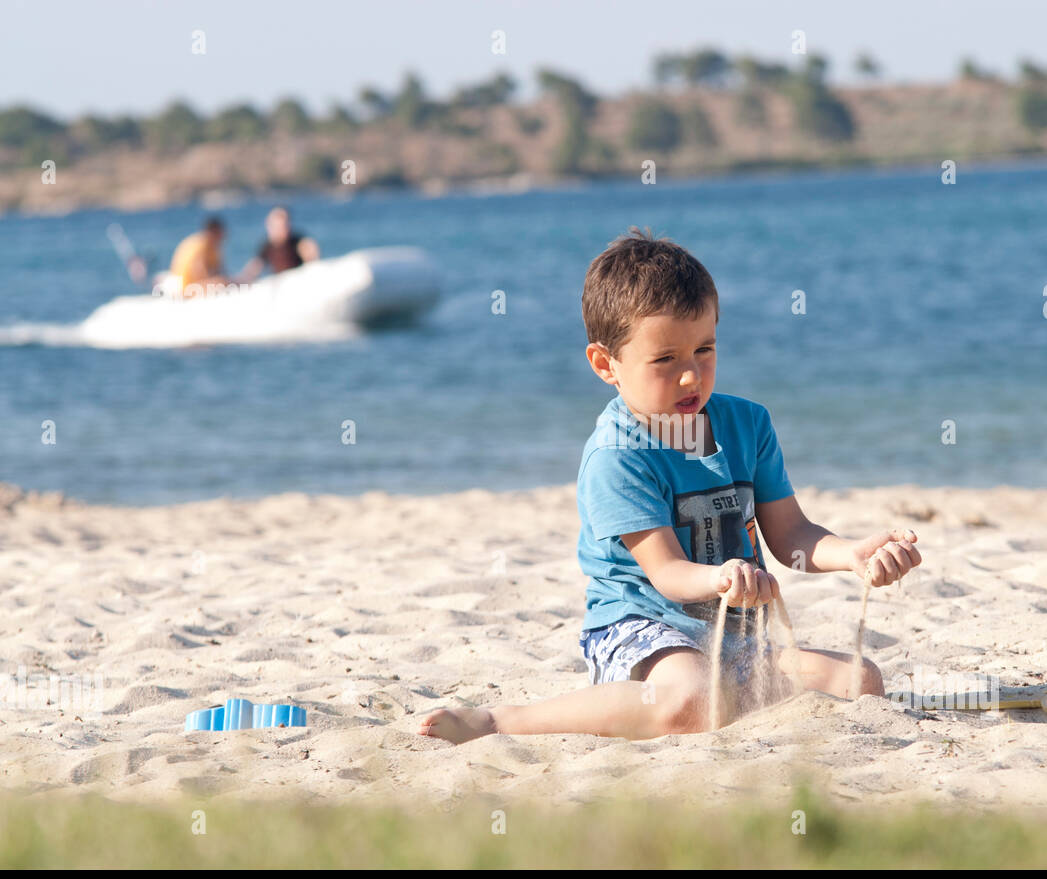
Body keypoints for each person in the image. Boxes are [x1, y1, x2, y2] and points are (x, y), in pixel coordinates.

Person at [419, 227, 922, 745]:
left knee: (862, 681)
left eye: (704, 349)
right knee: (689, 700)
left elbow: (792, 533)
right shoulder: (617, 457)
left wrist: (853, 556)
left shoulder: (748, 424)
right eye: (665, 360)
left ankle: (724, 691)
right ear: (605, 364)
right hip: (643, 631)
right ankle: (502, 721)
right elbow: (667, 574)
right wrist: (724, 578)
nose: (690, 376)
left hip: (734, 639)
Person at [239, 206, 319, 280]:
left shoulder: (297, 242)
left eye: (284, 225)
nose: (281, 229)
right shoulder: (267, 246)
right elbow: (255, 267)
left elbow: (311, 258)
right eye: (277, 226)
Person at [168, 217, 230, 296]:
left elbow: (220, 270)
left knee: (226, 282)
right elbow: (198, 272)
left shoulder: (210, 246)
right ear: (214, 232)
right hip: (187, 288)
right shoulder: (201, 246)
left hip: (189, 286)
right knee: (223, 282)